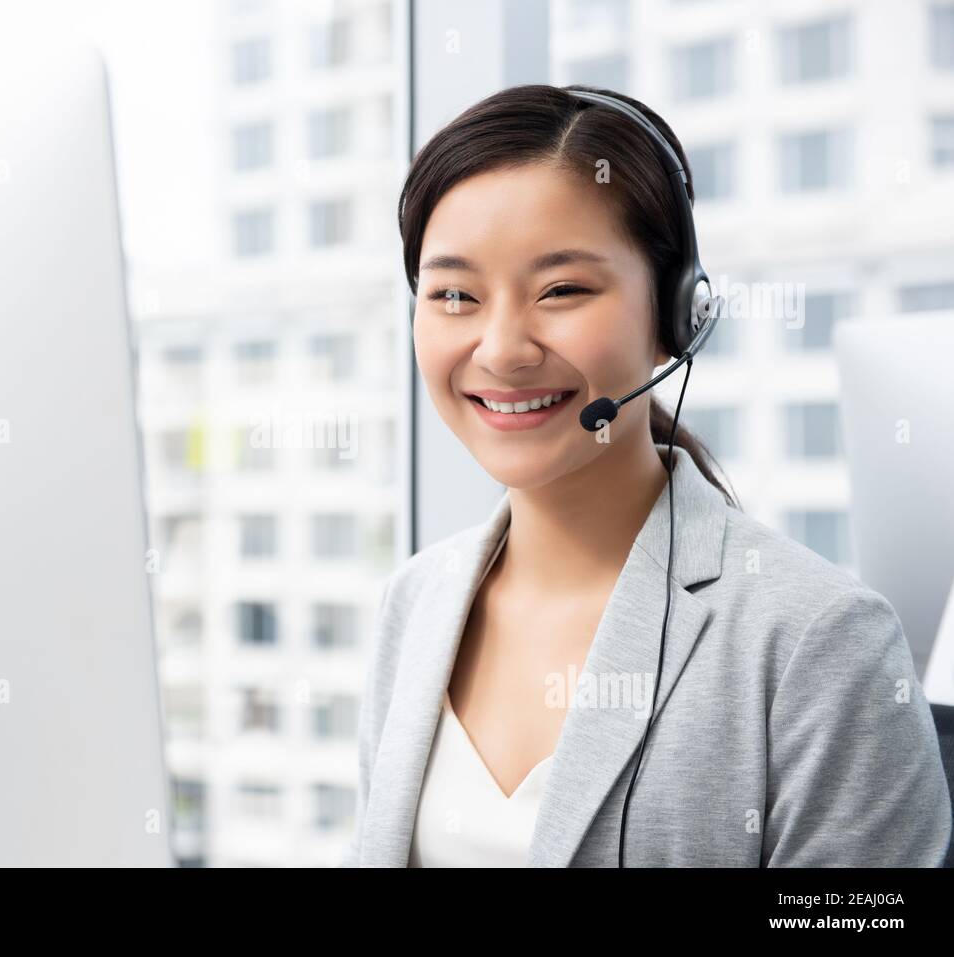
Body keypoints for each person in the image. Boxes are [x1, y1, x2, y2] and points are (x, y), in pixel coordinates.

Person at [339, 84, 952, 867]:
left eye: (561, 290)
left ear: (675, 316)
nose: (500, 349)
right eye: (455, 294)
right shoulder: (415, 604)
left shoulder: (817, 642)